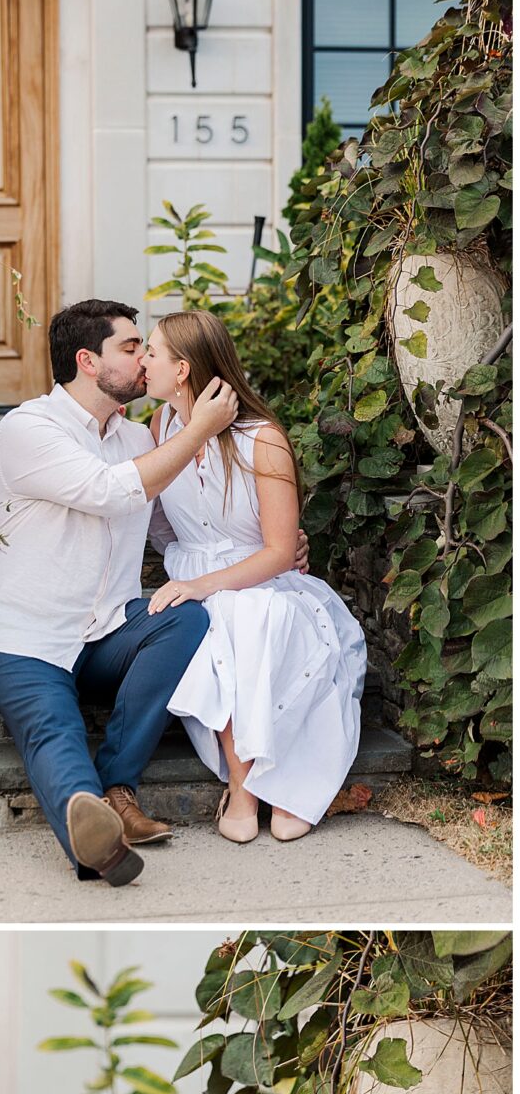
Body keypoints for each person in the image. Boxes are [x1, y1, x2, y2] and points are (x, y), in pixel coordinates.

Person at [0, 298, 240, 887]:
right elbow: (110, 492)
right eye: (131, 347)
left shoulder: (139, 438)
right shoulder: (28, 427)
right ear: (88, 361)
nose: (145, 359)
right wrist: (197, 432)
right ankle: (99, 845)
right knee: (54, 728)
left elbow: (172, 529)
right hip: (21, 635)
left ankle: (117, 788)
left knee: (183, 619)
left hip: (106, 629)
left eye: (146, 348)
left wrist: (269, 550)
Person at [142, 312, 367, 842]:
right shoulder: (160, 427)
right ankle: (243, 786)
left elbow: (278, 552)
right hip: (192, 575)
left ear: (182, 369)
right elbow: (157, 524)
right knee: (213, 621)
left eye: (151, 352)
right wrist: (188, 574)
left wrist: (203, 584)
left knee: (246, 616)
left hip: (262, 580)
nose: (143, 362)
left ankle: (289, 783)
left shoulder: (261, 438)